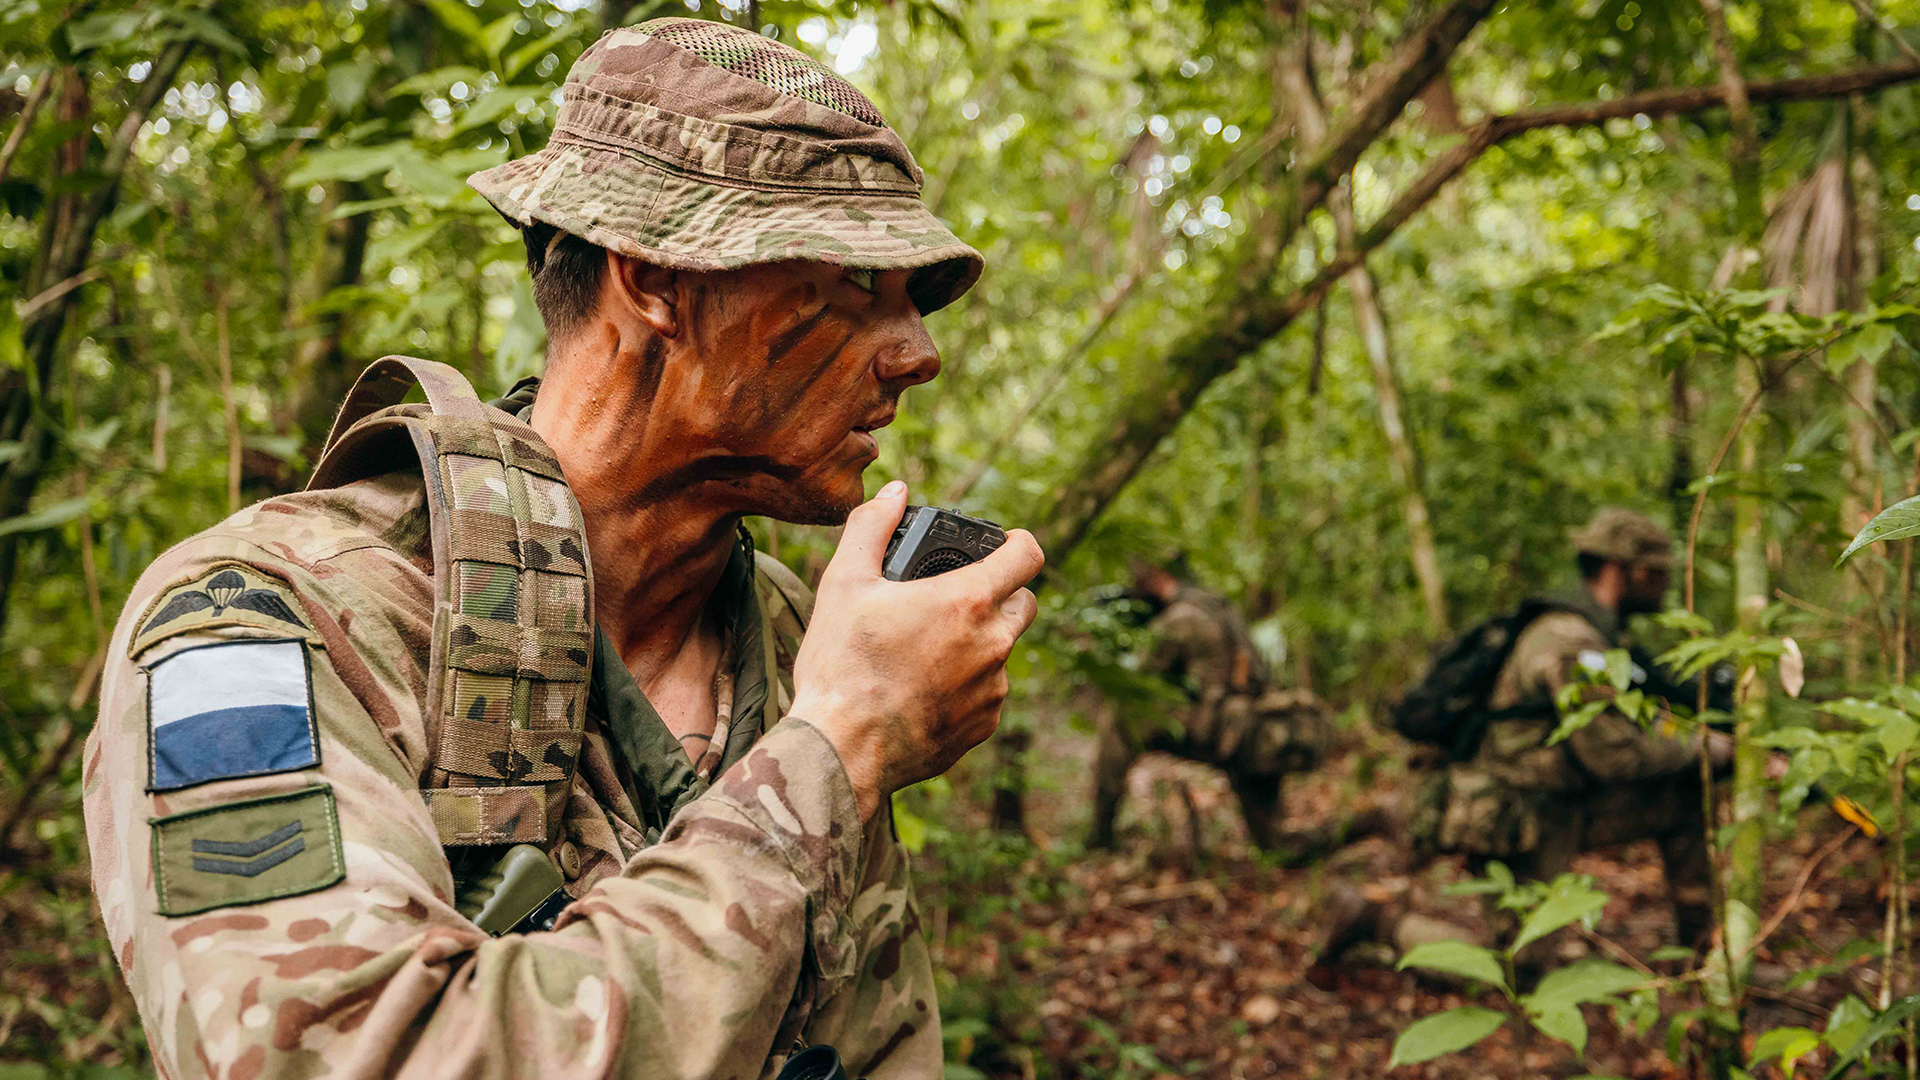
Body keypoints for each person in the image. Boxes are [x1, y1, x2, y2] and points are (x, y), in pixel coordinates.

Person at [82, 20, 1043, 1080]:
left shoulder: (786, 629)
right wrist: (838, 750)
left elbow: (873, 1039)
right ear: (657, 282)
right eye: (862, 288)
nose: (920, 354)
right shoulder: (269, 614)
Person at [1317, 508, 1728, 971]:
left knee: (1681, 797)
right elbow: (1612, 756)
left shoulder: (1587, 632)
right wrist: (1707, 750)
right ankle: (1375, 920)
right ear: (1621, 569)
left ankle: (1705, 955)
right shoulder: (1571, 641)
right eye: (1654, 574)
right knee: (1513, 968)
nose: (1661, 586)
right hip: (1519, 814)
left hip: (1559, 802)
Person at [1088, 560, 1367, 859]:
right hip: (1254, 732)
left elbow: (1138, 680)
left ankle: (1100, 836)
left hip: (1225, 735)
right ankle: (1365, 824)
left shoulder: (1181, 619)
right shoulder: (1219, 608)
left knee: (1121, 718)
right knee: (1276, 846)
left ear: (1158, 578)